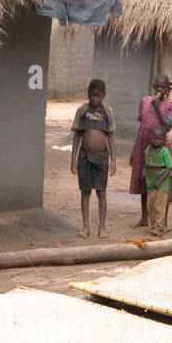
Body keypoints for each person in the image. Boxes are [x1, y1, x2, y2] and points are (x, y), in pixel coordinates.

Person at [129, 74, 172, 227]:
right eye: (156, 86)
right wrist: (133, 150)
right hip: (143, 147)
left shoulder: (171, 105)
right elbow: (141, 125)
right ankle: (145, 217)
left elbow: (168, 127)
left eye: (163, 87)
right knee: (145, 182)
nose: (159, 89)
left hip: (160, 150)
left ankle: (162, 220)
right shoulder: (145, 102)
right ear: (153, 86)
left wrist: (157, 108)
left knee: (161, 186)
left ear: (168, 88)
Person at [71, 78, 116, 238]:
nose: (95, 98)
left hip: (102, 158)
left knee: (102, 192)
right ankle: (85, 227)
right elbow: (77, 135)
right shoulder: (82, 110)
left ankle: (102, 228)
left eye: (98, 95)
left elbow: (110, 137)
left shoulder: (107, 112)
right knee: (85, 192)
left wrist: (113, 160)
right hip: (84, 157)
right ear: (88, 94)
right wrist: (73, 159)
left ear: (103, 95)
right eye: (92, 95)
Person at [143, 121, 172, 236]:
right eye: (154, 138)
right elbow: (145, 164)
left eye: (159, 139)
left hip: (161, 183)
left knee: (160, 206)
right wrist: (144, 172)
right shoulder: (147, 150)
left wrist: (160, 180)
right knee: (150, 205)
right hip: (150, 182)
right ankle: (153, 225)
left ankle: (159, 226)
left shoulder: (164, 152)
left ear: (164, 139)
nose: (156, 141)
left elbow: (169, 167)